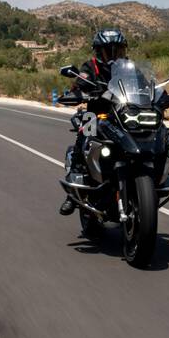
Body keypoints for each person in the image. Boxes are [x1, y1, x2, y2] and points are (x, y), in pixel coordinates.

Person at [59, 28, 127, 216]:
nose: (114, 55)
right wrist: (77, 93)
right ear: (99, 51)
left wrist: (161, 95)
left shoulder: (128, 67)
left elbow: (143, 84)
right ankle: (72, 193)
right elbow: (80, 83)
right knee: (84, 132)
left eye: (118, 50)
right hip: (97, 113)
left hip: (123, 114)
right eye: (109, 50)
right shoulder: (90, 67)